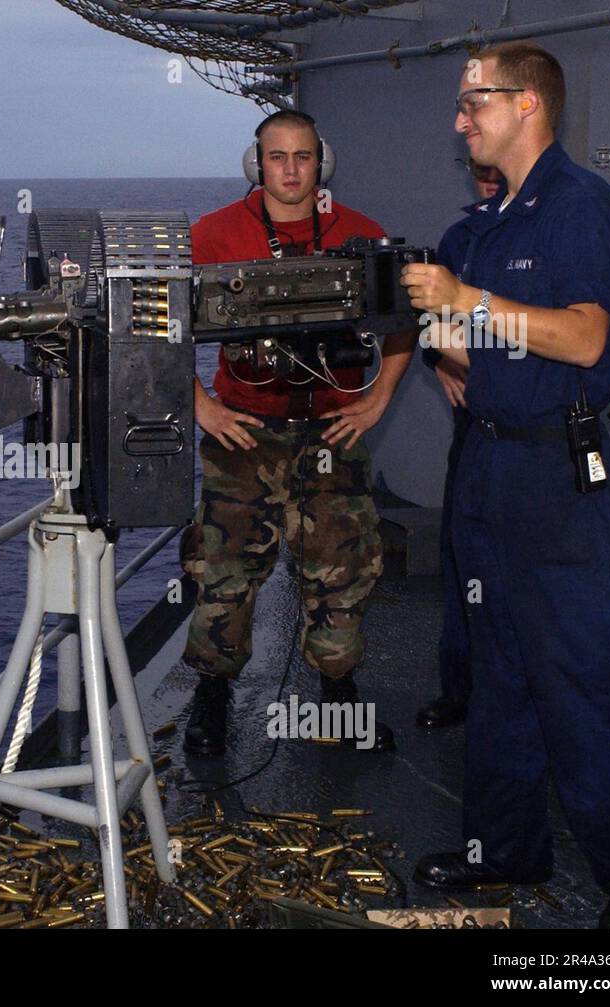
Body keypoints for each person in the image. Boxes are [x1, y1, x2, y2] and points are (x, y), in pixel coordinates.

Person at [402, 41, 610, 929]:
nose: (459, 119)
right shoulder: (485, 224)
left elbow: (592, 338)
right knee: (500, 673)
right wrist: (437, 329)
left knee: (583, 683)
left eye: (472, 102)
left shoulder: (580, 207)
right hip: (485, 461)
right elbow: (459, 341)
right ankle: (504, 853)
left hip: (555, 475)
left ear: (528, 105)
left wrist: (471, 303)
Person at [179, 109, 412, 756]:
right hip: (244, 435)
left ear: (321, 163)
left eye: (302, 157)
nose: (289, 170)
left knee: (342, 569)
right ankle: (213, 697)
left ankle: (338, 699)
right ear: (259, 164)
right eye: (276, 157)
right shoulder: (215, 234)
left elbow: (403, 321)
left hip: (331, 432)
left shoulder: (360, 234)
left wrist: (376, 401)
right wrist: (204, 407)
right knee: (224, 570)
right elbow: (157, 324)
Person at [415, 159, 503, 730]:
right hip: (477, 427)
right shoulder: (460, 237)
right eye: (478, 169)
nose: (488, 177)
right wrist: (438, 356)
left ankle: (519, 698)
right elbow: (425, 313)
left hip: (539, 424)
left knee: (528, 569)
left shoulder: (559, 230)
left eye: (497, 167)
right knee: (462, 555)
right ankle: (461, 689)